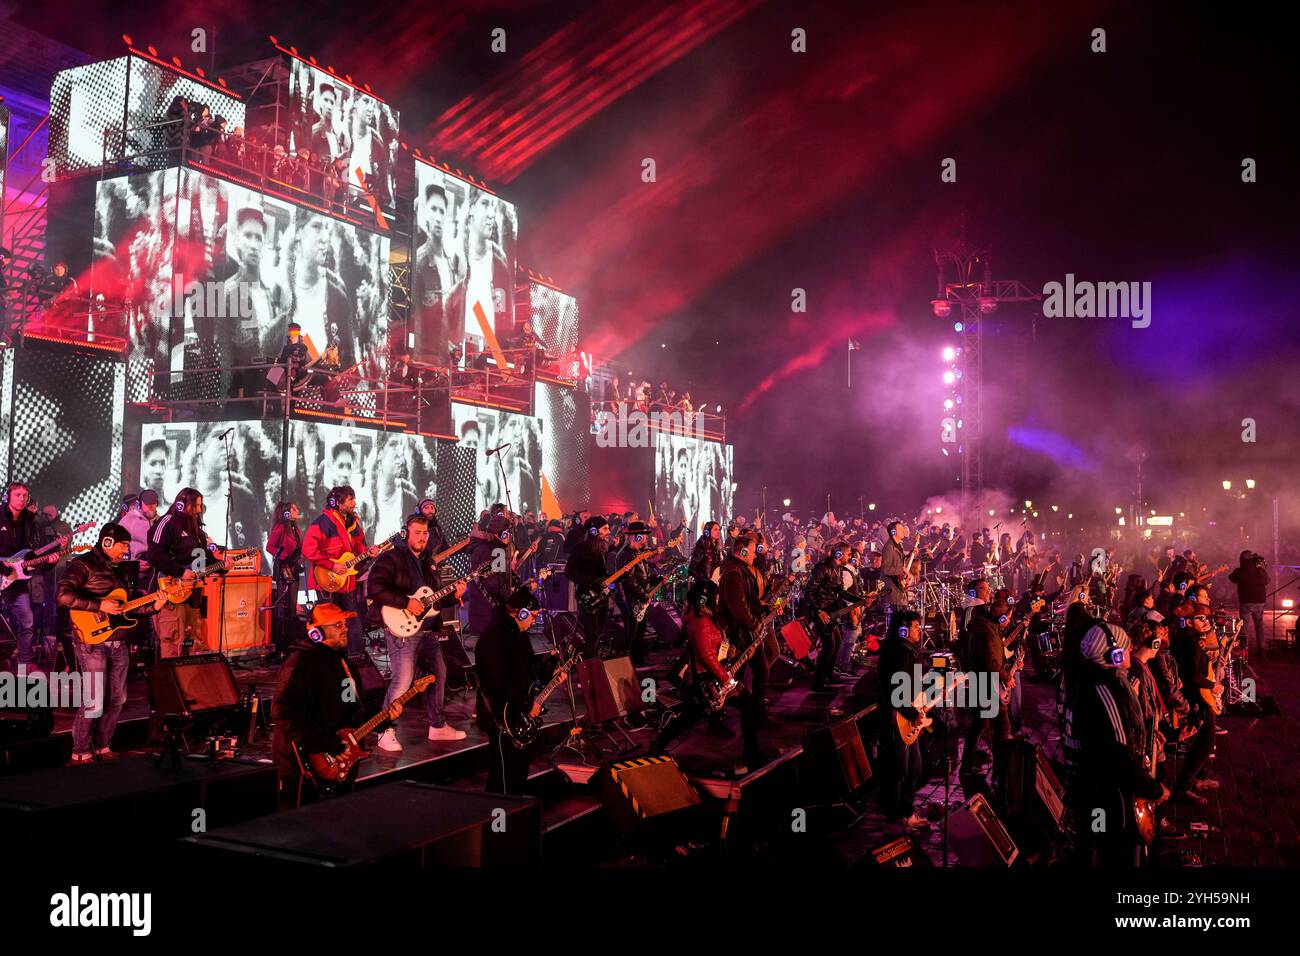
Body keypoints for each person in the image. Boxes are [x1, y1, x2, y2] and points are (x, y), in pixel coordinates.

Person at [271, 603, 402, 808]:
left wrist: (385, 718)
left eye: (345, 623)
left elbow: (352, 707)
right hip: (304, 768)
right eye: (338, 624)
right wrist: (326, 743)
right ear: (316, 633)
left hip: (339, 761)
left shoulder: (343, 664)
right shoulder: (299, 665)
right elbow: (283, 714)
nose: (346, 628)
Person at [57, 524, 167, 764]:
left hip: (118, 642)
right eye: (124, 545)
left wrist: (155, 605)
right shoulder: (82, 564)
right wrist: (99, 606)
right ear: (108, 543)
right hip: (92, 640)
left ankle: (104, 745)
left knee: (118, 699)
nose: (127, 550)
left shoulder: (121, 570)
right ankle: (80, 751)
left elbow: (128, 608)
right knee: (93, 701)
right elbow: (63, 596)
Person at [1063, 621, 1169, 866]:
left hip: (1086, 791)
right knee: (1111, 852)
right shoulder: (1105, 690)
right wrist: (1153, 790)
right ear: (1114, 654)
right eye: (1125, 648)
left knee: (1091, 847)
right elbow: (1120, 755)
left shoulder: (1083, 681)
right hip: (1104, 795)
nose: (1130, 652)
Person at [367, 513, 468, 748]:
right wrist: (405, 602)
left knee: (438, 675)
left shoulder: (428, 563)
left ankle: (437, 726)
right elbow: (374, 588)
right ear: (407, 533)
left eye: (425, 533)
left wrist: (454, 595)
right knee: (402, 681)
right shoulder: (392, 557)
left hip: (427, 630)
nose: (422, 538)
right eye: (418, 533)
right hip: (402, 629)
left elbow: (432, 601)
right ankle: (385, 731)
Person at [475, 586, 546, 795]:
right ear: (520, 612)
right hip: (500, 714)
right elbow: (497, 680)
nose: (533, 621)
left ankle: (516, 812)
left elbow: (527, 669)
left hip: (517, 711)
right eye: (531, 616)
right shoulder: (494, 636)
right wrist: (526, 704)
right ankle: (500, 817)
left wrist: (550, 670)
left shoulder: (518, 633)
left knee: (518, 768)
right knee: (502, 771)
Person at [146, 487, 222, 658]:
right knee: (173, 647)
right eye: (196, 505)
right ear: (184, 504)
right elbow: (154, 554)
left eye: (200, 506)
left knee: (193, 646)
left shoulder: (197, 530)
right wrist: (180, 572)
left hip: (193, 597)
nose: (199, 510)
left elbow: (204, 559)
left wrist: (224, 566)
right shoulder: (166, 523)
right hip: (172, 596)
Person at [716, 532, 770, 772]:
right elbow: (738, 606)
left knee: (761, 670)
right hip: (738, 637)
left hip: (745, 634)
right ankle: (715, 718)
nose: (757, 551)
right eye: (753, 548)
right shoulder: (732, 572)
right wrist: (754, 623)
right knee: (728, 685)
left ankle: (754, 716)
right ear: (743, 551)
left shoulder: (742, 570)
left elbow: (750, 600)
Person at [302, 485, 376, 655]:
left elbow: (359, 547)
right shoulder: (322, 522)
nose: (354, 503)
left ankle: (353, 660)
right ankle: (328, 660)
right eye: (350, 499)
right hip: (326, 583)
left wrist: (369, 553)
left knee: (352, 624)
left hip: (346, 584)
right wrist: (332, 565)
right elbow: (308, 550)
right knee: (328, 626)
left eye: (353, 499)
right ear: (338, 503)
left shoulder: (351, 523)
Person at [877, 609, 929, 830]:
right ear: (904, 629)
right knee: (899, 770)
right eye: (917, 627)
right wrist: (912, 713)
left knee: (914, 767)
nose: (920, 630)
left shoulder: (903, 650)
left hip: (906, 717)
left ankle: (905, 813)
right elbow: (895, 691)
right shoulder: (901, 652)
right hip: (898, 719)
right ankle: (896, 818)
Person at [1169, 600, 1220, 805]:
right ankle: (1182, 788)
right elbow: (1192, 675)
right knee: (1204, 744)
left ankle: (1187, 784)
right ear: (1189, 622)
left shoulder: (1187, 638)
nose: (1205, 621)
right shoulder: (1189, 643)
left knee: (1201, 743)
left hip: (1196, 697)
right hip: (1196, 697)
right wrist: (1213, 686)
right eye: (1201, 618)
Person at [0, 482, 46, 671]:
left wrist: (46, 561)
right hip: (2, 572)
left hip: (17, 581)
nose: (21, 498)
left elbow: (31, 553)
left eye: (24, 495)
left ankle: (23, 665)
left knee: (27, 621)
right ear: (8, 496)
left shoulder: (30, 521)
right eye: (17, 494)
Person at [806, 541, 856, 692]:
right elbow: (809, 591)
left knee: (836, 643)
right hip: (821, 613)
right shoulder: (823, 568)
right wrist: (819, 610)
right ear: (838, 554)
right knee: (829, 646)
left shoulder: (839, 569)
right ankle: (818, 684)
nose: (850, 556)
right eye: (848, 553)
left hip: (830, 612)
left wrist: (860, 600)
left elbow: (841, 591)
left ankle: (827, 677)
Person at [611, 520, 659, 667]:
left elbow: (644, 574)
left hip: (638, 598)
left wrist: (656, 579)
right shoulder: (626, 554)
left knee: (640, 629)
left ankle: (638, 660)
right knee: (633, 631)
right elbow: (628, 581)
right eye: (642, 535)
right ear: (635, 537)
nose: (645, 538)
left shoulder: (638, 553)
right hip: (630, 599)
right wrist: (643, 594)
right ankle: (631, 662)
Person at [564, 515, 612, 658]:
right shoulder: (581, 548)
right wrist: (588, 582)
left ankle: (596, 661)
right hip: (587, 597)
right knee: (590, 632)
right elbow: (569, 571)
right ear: (593, 531)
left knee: (599, 631)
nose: (609, 531)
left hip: (601, 596)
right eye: (605, 528)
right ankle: (590, 664)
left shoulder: (603, 548)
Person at [267, 501, 303, 661]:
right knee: (283, 609)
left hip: (294, 569)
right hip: (283, 570)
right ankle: (280, 649)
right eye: (294, 509)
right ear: (286, 513)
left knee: (292, 608)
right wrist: (282, 557)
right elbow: (270, 546)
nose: (297, 511)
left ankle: (290, 647)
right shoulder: (281, 527)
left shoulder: (295, 528)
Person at [1228, 551, 1269, 655]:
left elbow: (1231, 578)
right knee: (1259, 625)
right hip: (1259, 601)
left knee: (1244, 626)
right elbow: (1267, 580)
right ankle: (1262, 648)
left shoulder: (1240, 571)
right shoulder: (1259, 570)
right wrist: (1260, 567)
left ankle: (1243, 648)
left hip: (1245, 601)